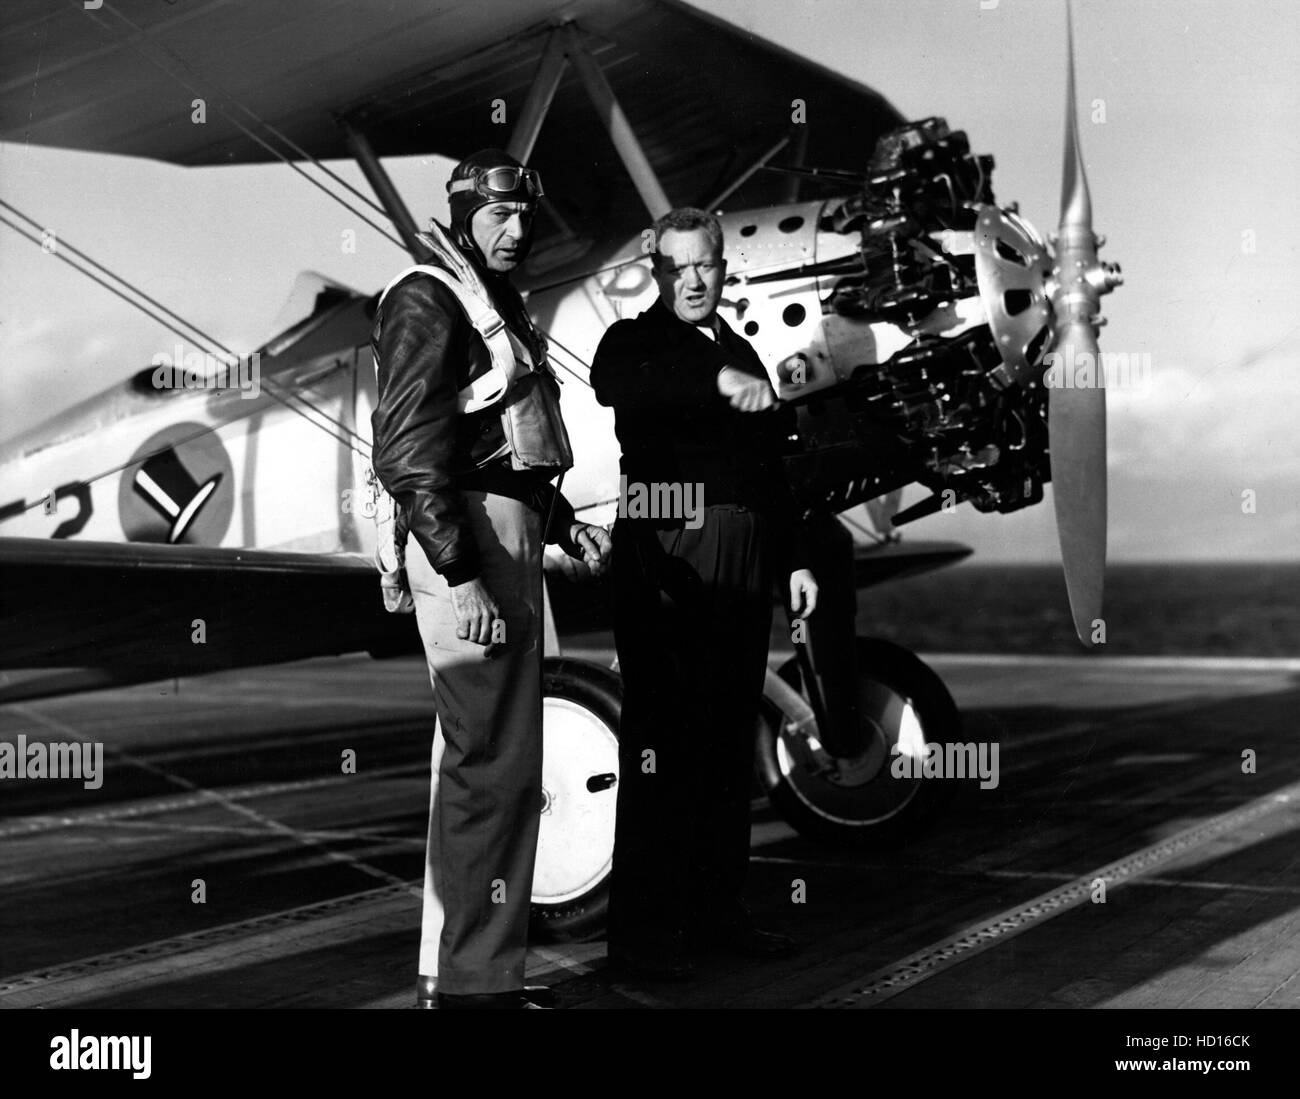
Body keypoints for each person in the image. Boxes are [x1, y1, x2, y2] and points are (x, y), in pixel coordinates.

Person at [371, 148, 611, 1009]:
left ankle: (465, 975)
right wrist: (462, 574)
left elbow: (496, 444)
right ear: (466, 214)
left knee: (487, 770)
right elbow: (405, 451)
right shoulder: (427, 297)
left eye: (525, 217)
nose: (516, 231)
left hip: (498, 537)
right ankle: (476, 990)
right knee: (491, 771)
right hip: (467, 550)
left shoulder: (486, 303)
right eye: (498, 216)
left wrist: (562, 521)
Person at [591, 207, 818, 980]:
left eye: (705, 266)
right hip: (669, 556)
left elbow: (770, 472)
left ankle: (717, 916)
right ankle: (644, 944)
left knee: (724, 747)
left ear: (725, 269)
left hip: (745, 553)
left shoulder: (741, 347)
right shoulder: (634, 342)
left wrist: (793, 561)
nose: (692, 280)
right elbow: (616, 384)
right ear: (657, 271)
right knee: (662, 749)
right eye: (676, 267)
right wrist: (715, 379)